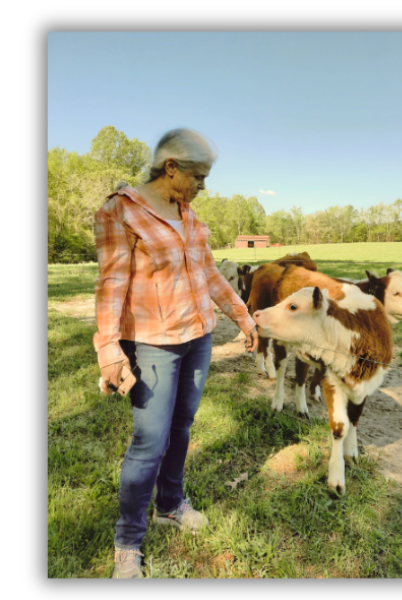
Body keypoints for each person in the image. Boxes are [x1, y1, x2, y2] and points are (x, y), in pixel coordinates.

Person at [94, 129, 259, 578]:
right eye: (199, 177)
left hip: (198, 336)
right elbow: (111, 284)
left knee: (182, 426)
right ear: (172, 167)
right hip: (153, 342)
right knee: (149, 441)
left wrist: (243, 316)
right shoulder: (121, 210)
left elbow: (210, 274)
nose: (203, 186)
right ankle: (128, 542)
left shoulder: (191, 217)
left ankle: (169, 504)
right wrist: (108, 348)